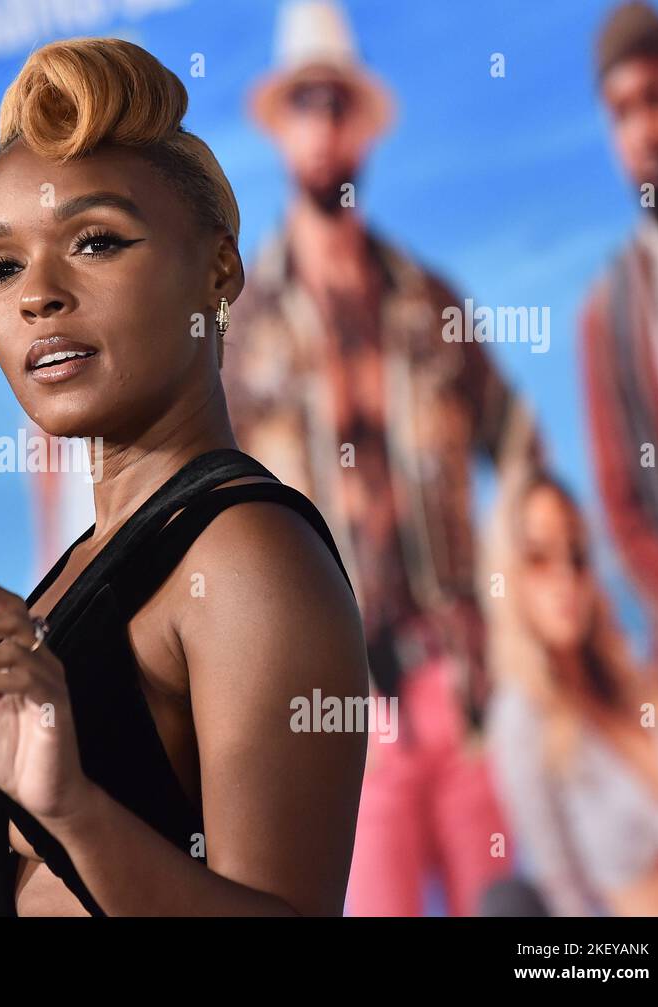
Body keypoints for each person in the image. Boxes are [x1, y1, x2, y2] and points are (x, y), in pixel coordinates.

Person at [0, 36, 368, 917]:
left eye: (95, 241)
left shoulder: (247, 555)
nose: (36, 295)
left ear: (219, 269)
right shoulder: (83, 568)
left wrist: (73, 811)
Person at [223, 0, 542, 916]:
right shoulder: (245, 339)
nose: (323, 127)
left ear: (360, 125)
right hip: (339, 710)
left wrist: (511, 632)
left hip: (462, 683)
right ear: (281, 128)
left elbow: (519, 447)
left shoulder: (429, 300)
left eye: (337, 104)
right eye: (304, 104)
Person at [484, 472, 658, 916]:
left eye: (576, 556)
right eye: (539, 557)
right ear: (508, 572)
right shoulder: (520, 719)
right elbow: (565, 897)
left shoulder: (632, 684)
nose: (564, 577)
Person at [580, 0, 658, 742]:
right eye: (622, 112)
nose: (643, 129)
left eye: (653, 101)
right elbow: (626, 520)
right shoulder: (607, 317)